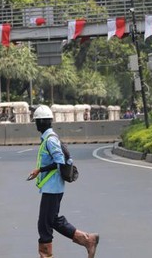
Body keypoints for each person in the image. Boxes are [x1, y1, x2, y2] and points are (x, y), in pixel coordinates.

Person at [27, 106, 99, 258]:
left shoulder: (50, 140)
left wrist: (40, 170)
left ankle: (46, 255)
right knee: (52, 220)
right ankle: (88, 240)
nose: (36, 125)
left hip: (52, 188)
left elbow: (59, 161)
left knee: (44, 225)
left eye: (37, 121)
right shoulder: (50, 138)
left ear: (41, 122)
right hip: (53, 187)